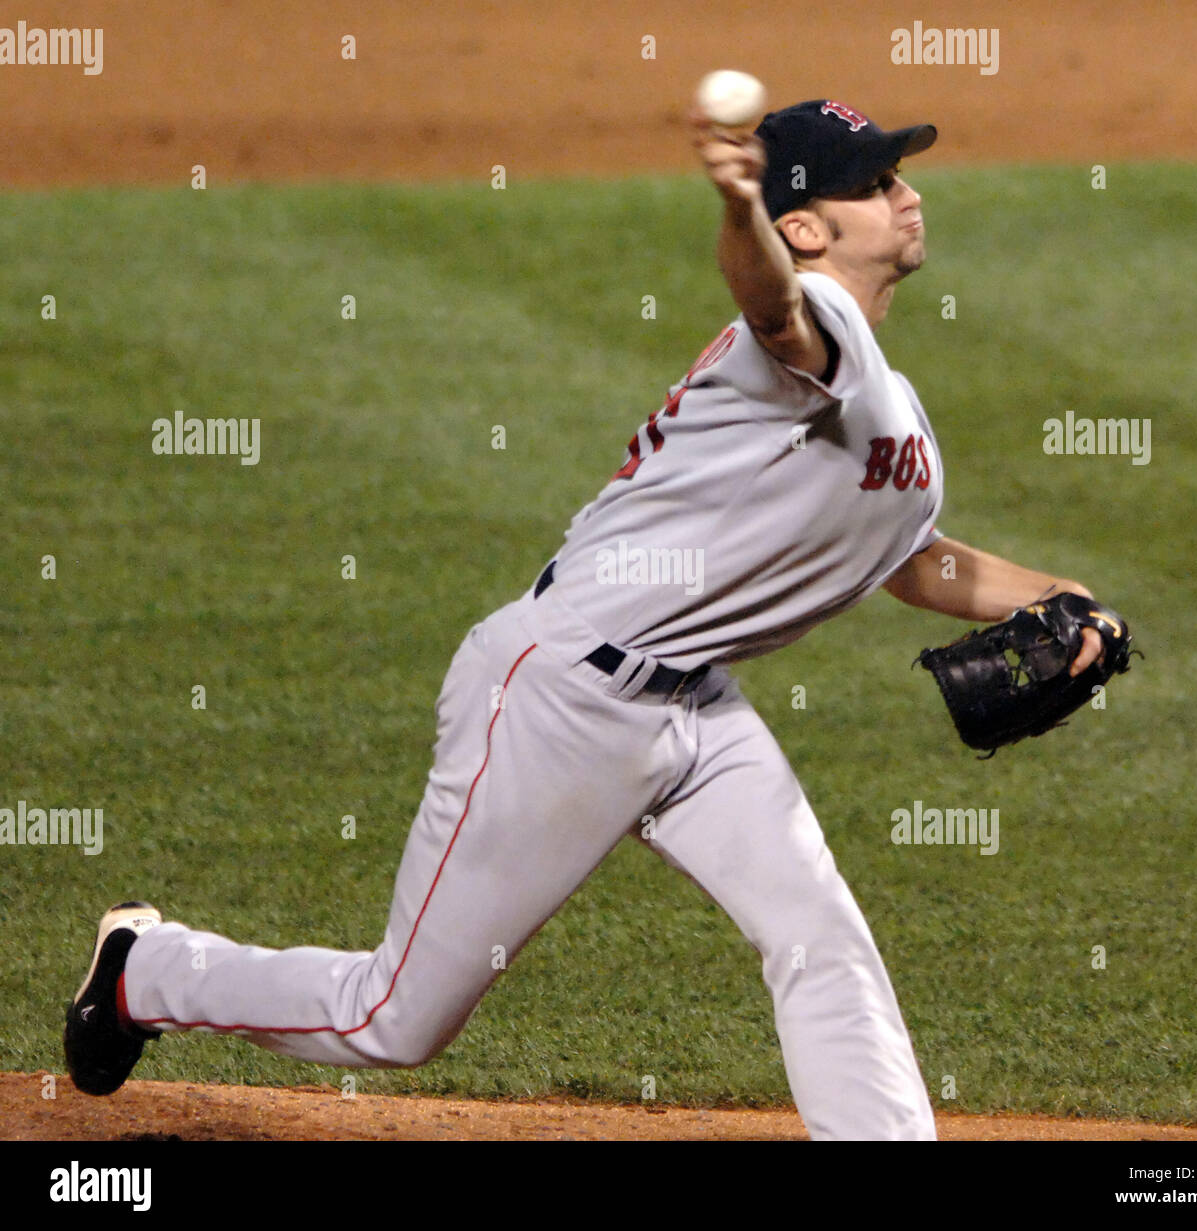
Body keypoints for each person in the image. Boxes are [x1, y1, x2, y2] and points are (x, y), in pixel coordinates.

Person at [65, 99, 1103, 1141]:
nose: (906, 193)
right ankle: (142, 971)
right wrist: (738, 205)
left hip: (697, 707)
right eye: (875, 183)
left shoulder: (889, 405)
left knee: (818, 935)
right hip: (558, 694)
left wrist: (1070, 600)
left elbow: (918, 563)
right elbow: (769, 303)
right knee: (391, 1020)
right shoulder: (810, 328)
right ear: (804, 227)